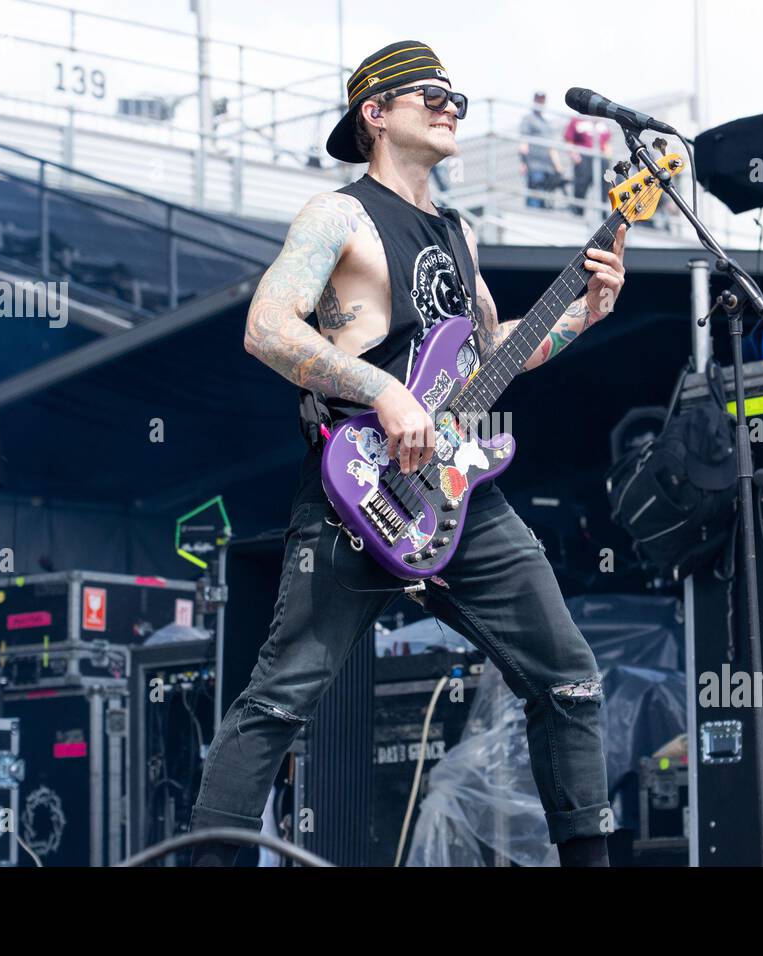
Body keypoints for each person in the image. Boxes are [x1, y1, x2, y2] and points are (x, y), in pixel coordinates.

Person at [189, 40, 628, 867]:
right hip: (356, 486)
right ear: (376, 112)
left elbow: (495, 353)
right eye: (432, 95)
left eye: (457, 98)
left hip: (457, 494)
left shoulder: (456, 230)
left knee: (568, 677)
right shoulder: (338, 215)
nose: (451, 107)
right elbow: (267, 327)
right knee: (280, 698)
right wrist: (384, 392)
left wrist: (582, 316)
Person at [519, 91, 564, 209]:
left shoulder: (546, 124)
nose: (540, 103)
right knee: (534, 196)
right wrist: (523, 162)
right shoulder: (528, 119)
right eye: (538, 100)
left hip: (548, 167)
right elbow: (523, 142)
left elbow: (551, 147)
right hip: (534, 165)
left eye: (542, 100)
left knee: (544, 198)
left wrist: (558, 166)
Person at [563, 113, 613, 216]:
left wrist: (608, 158)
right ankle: (578, 212)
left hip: (600, 157)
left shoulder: (602, 123)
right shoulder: (577, 120)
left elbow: (607, 143)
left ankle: (603, 215)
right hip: (584, 156)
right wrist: (574, 155)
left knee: (604, 187)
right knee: (581, 185)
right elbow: (568, 140)